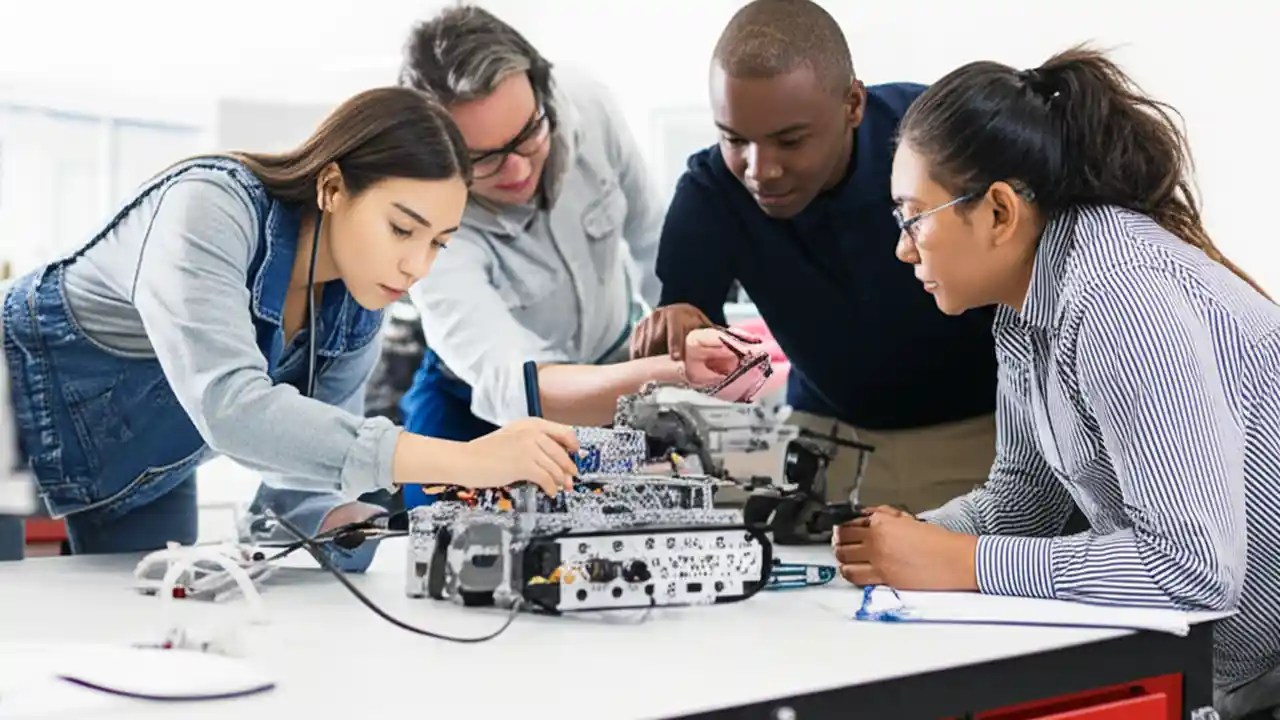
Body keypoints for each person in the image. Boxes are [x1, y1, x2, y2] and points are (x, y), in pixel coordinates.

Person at [833, 46, 1280, 720]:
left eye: (912, 217)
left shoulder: (1119, 298)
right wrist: (904, 540)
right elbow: (1026, 497)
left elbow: (1191, 568)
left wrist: (962, 562)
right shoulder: (1023, 312)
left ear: (999, 213)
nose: (903, 248)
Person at [0, 86, 586, 565]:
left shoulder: (359, 305)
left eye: (438, 242)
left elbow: (299, 485)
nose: (417, 266)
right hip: (11, 413)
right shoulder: (209, 207)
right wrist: (465, 459)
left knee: (155, 631)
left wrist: (358, 524)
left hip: (143, 471)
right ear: (332, 187)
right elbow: (233, 408)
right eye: (402, 229)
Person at [631, 0, 1000, 512]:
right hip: (823, 438)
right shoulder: (710, 189)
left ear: (853, 104)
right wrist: (680, 331)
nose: (760, 170)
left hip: (981, 436)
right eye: (735, 139)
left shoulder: (938, 140)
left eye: (790, 140)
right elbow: (687, 339)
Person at [394, 6, 749, 507]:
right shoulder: (427, 221)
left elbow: (652, 238)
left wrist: (684, 325)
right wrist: (671, 375)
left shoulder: (586, 103)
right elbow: (515, 381)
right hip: (476, 402)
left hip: (617, 365)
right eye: (483, 158)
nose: (517, 169)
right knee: (434, 535)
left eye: (527, 136)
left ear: (542, 93)